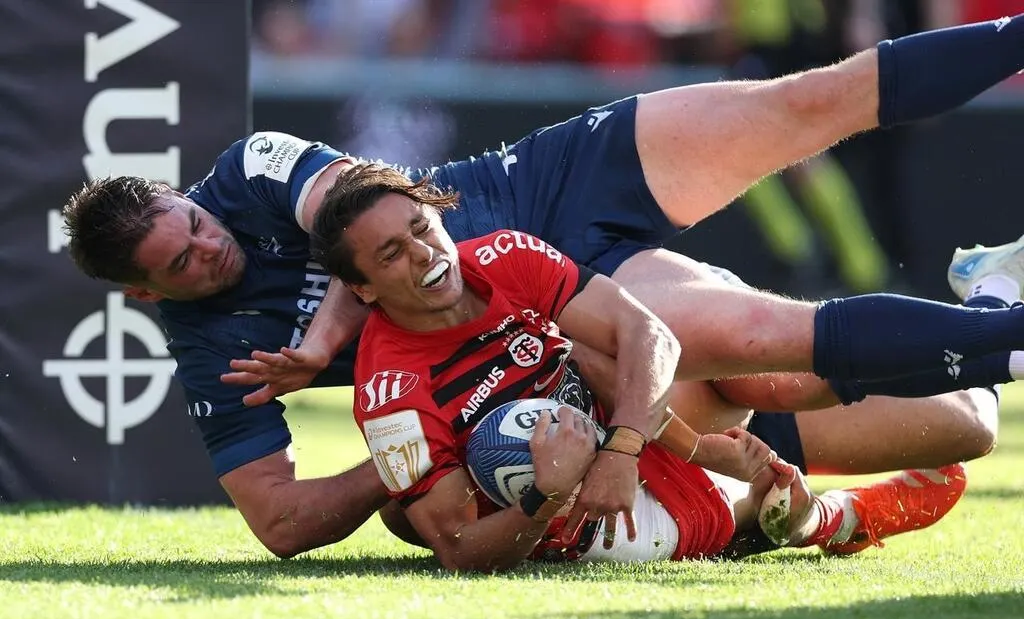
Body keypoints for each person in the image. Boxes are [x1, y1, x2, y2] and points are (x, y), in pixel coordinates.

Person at [61, 14, 1024, 557]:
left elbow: (362, 215)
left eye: (194, 222)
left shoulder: (246, 168)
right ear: (145, 297)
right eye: (181, 263)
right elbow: (277, 521)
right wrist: (415, 469)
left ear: (189, 195)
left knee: (807, 102)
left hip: (545, 190)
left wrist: (316, 351)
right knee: (949, 417)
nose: (210, 245)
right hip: (563, 330)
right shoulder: (213, 354)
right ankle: (983, 317)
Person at [313, 164, 966, 570]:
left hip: (646, 427)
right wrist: (546, 498)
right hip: (580, 508)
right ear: (363, 289)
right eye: (392, 255)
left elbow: (640, 339)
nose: (425, 255)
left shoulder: (503, 256)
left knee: (958, 424)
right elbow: (457, 546)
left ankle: (986, 309)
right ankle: (819, 519)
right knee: (412, 516)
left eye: (423, 228)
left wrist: (671, 448)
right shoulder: (392, 397)